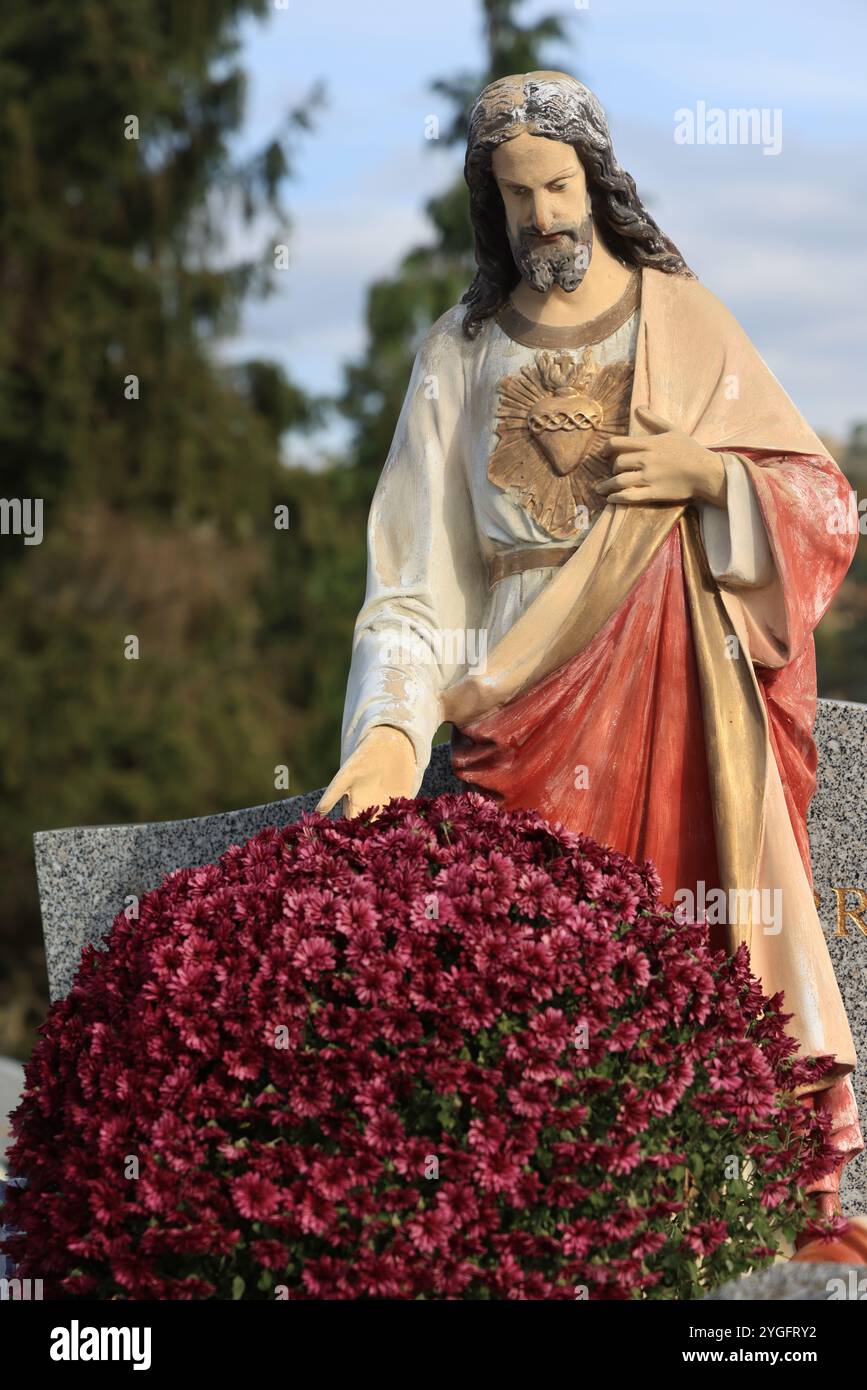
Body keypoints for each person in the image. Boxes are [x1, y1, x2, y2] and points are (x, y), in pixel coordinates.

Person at [317, 71, 863, 1229]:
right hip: (514, 695)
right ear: (491, 207)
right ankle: (572, 1228)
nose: (544, 218)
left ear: (600, 182)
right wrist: (387, 730)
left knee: (691, 957)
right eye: (517, 198)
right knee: (543, 1017)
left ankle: (736, 1203)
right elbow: (411, 583)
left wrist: (710, 479)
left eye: (559, 186)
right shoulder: (456, 356)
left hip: (677, 694)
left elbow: (826, 504)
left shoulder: (683, 316)